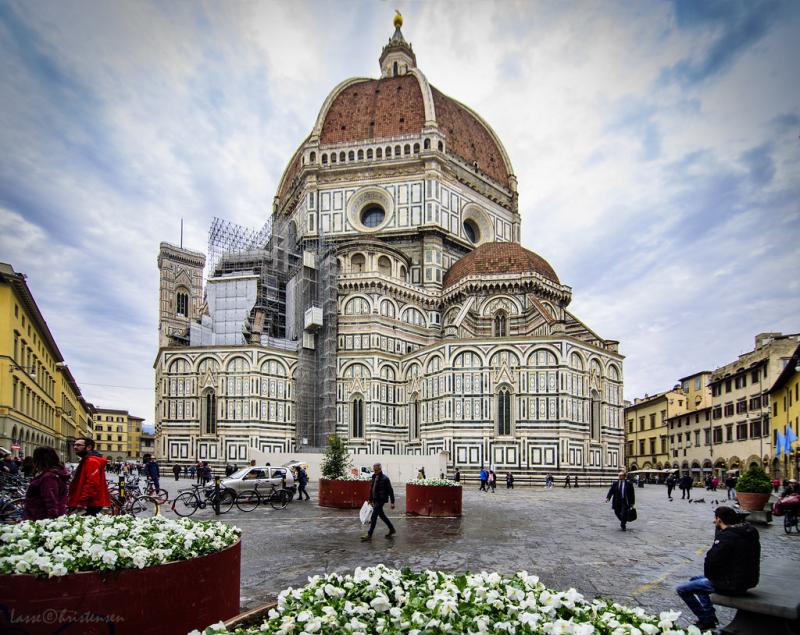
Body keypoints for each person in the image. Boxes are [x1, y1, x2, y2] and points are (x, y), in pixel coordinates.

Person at [676, 506, 760, 631]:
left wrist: (712, 578)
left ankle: (706, 618)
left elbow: (711, 560)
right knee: (695, 580)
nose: (714, 521)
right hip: (749, 579)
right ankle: (709, 616)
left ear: (719, 519)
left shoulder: (726, 537)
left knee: (682, 589)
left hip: (731, 584)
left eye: (715, 519)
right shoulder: (748, 532)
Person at [23, 446, 70, 520]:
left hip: (40, 518)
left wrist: (52, 521)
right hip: (42, 516)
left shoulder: (49, 477)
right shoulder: (53, 473)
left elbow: (51, 501)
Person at [67, 437, 110, 515]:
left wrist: (82, 501)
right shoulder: (87, 460)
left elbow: (92, 484)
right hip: (89, 502)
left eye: (78, 445)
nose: (75, 447)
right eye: (74, 445)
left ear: (89, 447)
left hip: (91, 503)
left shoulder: (91, 461)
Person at [361, 463, 395, 541]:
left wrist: (392, 502)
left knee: (374, 516)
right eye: (374, 470)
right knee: (382, 516)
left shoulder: (385, 479)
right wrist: (370, 499)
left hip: (381, 500)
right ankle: (392, 529)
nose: (375, 472)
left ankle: (369, 534)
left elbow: (390, 491)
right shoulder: (374, 476)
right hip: (375, 499)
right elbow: (372, 489)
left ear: (380, 469)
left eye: (376, 470)